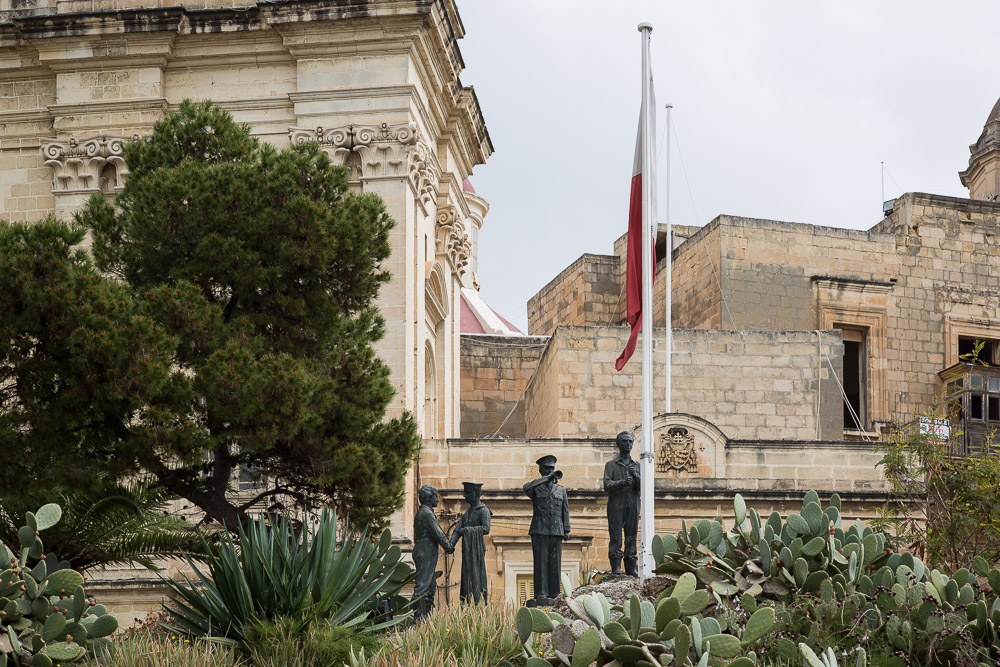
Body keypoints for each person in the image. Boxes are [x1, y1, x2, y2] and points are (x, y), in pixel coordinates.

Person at [522, 454, 569, 606]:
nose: (550, 471)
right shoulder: (536, 487)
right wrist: (546, 478)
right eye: (547, 468)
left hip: (557, 529)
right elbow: (526, 488)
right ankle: (541, 592)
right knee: (541, 561)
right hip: (540, 528)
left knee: (555, 563)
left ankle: (555, 592)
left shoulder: (561, 490)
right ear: (541, 470)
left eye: (552, 468)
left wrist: (566, 529)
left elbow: (565, 510)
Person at [411, 485, 453, 621]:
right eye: (436, 496)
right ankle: (419, 617)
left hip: (425, 551)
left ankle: (426, 616)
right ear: (429, 498)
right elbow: (438, 533)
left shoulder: (425, 511)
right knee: (423, 586)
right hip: (425, 551)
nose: (438, 499)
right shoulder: (427, 513)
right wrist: (448, 546)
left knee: (430, 585)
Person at [604, 431, 640, 577]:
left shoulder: (637, 465)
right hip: (616, 504)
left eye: (630, 441)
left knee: (632, 536)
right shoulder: (611, 465)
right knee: (616, 536)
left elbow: (644, 487)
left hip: (633, 503)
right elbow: (607, 484)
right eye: (625, 441)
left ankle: (631, 567)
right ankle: (616, 567)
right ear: (619, 444)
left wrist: (636, 475)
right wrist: (622, 482)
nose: (628, 444)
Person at [449, 481, 492, 603]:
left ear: (475, 493)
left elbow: (486, 529)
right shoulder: (468, 513)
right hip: (467, 551)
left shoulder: (483, 511)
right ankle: (467, 602)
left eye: (467, 493)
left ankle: (478, 602)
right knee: (466, 578)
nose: (465, 496)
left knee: (477, 577)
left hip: (476, 551)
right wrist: (451, 544)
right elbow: (457, 530)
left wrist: (466, 531)